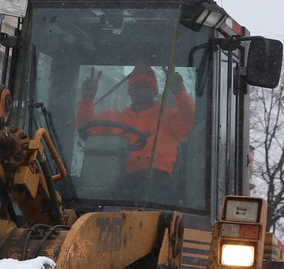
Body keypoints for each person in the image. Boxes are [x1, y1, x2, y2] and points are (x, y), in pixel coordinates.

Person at [76, 62, 195, 196]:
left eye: (146, 87)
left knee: (148, 181)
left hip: (157, 184)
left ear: (154, 92)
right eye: (136, 88)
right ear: (130, 92)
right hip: (120, 180)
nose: (140, 92)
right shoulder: (115, 117)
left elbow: (188, 123)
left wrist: (180, 93)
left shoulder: (168, 116)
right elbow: (86, 130)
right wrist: (87, 100)